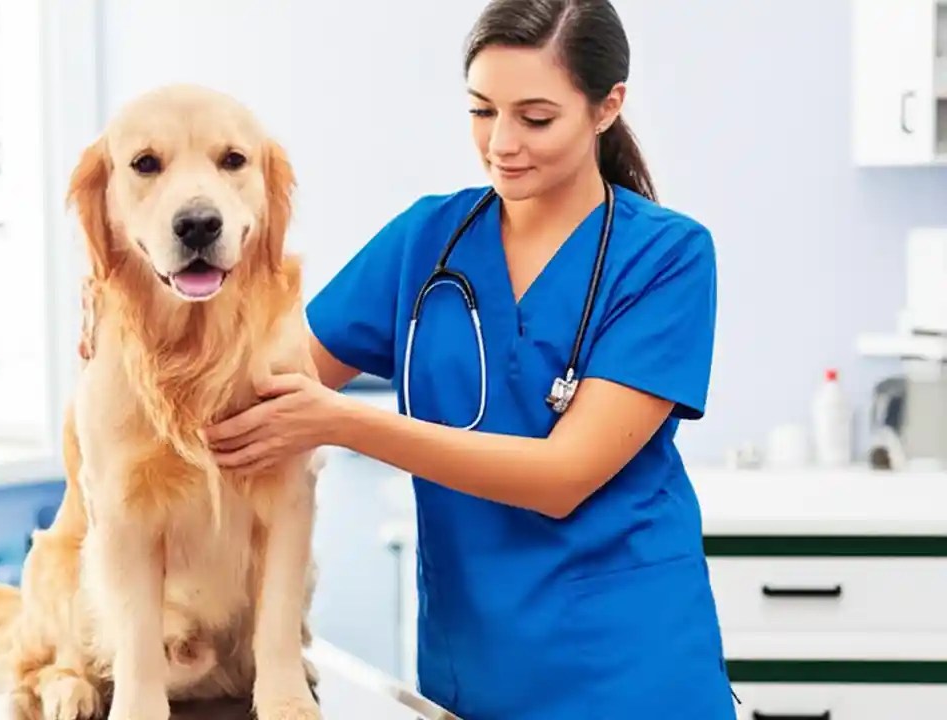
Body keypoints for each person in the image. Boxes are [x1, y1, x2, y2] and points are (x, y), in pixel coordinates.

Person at [200, 0, 738, 718]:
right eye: (483, 111)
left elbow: (562, 477)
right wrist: (151, 318)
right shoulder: (428, 240)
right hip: (476, 671)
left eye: (536, 117)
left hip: (628, 670)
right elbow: (258, 384)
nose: (502, 143)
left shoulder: (665, 257)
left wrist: (342, 424)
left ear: (607, 107)